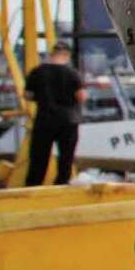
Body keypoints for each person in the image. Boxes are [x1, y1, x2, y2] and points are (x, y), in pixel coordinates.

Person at [23, 41, 85, 186]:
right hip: (68, 121)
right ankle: (61, 186)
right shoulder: (73, 73)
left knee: (39, 158)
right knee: (66, 158)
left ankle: (33, 188)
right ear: (67, 56)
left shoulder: (37, 72)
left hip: (44, 120)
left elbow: (27, 95)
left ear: (51, 55)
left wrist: (42, 97)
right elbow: (81, 96)